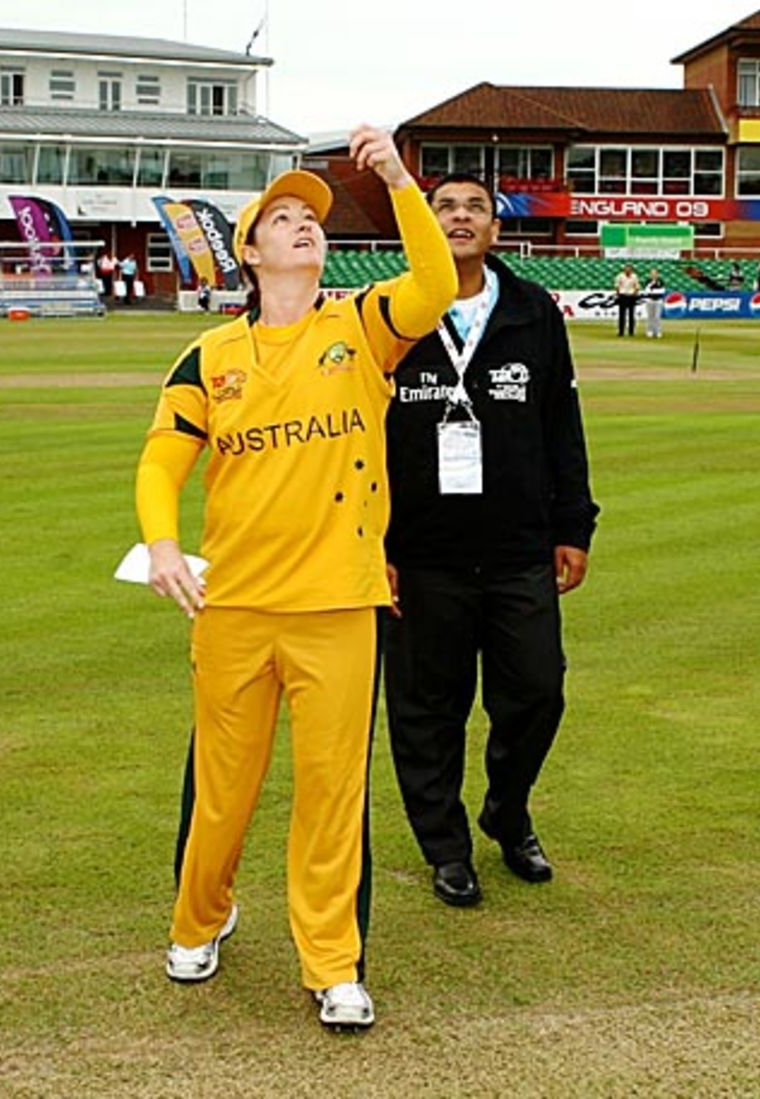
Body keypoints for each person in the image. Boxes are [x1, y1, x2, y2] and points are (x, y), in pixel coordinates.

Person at [135, 126, 456, 1030]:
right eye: (281, 218)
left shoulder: (359, 324)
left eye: (310, 218)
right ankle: (200, 919)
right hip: (232, 606)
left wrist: (397, 179)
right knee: (224, 792)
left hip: (340, 604)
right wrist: (162, 543)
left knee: (330, 794)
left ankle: (332, 961)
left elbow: (433, 285)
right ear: (250, 252)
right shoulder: (209, 355)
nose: (303, 227)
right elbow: (162, 464)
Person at [383, 172, 599, 909]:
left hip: (517, 549)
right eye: (445, 206)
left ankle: (507, 811)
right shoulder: (388, 313)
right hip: (421, 554)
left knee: (537, 692)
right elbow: (359, 439)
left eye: (476, 207)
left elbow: (561, 427)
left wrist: (574, 525)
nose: (461, 216)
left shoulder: (535, 312)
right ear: (422, 222)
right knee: (426, 712)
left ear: (497, 230)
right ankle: (445, 847)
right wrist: (370, 542)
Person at [614, 263, 640, 337]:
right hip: (623, 296)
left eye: (629, 269)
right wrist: (619, 294)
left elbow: (637, 286)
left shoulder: (634, 276)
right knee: (622, 315)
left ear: (631, 270)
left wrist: (635, 294)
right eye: (626, 268)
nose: (628, 270)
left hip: (631, 296)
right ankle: (621, 331)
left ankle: (631, 332)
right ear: (624, 269)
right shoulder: (620, 276)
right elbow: (617, 286)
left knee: (632, 315)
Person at [642, 267, 665, 338]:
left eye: (655, 273)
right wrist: (653, 289)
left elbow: (662, 291)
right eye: (652, 273)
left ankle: (657, 331)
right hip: (649, 300)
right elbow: (646, 291)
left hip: (658, 301)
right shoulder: (648, 281)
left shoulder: (660, 281)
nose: (653, 275)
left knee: (657, 317)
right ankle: (649, 331)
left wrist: (653, 291)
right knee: (650, 316)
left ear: (657, 274)